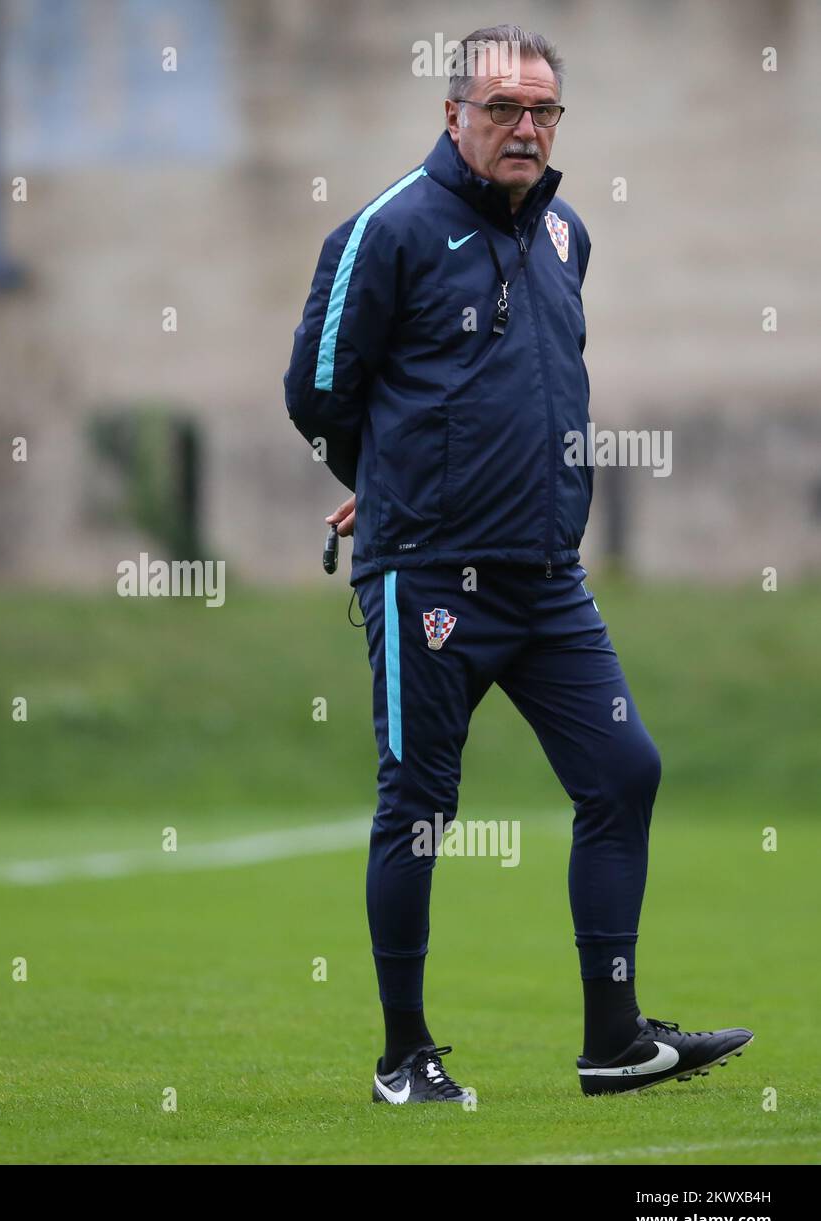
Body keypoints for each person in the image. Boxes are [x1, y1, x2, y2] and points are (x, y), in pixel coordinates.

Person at [283, 24, 752, 1103]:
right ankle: (405, 1057)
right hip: (430, 577)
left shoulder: (564, 234)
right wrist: (390, 481)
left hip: (547, 577)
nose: (525, 128)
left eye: (542, 111)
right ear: (451, 115)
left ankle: (614, 1039)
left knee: (626, 773)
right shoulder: (386, 229)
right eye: (501, 108)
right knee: (419, 806)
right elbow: (315, 392)